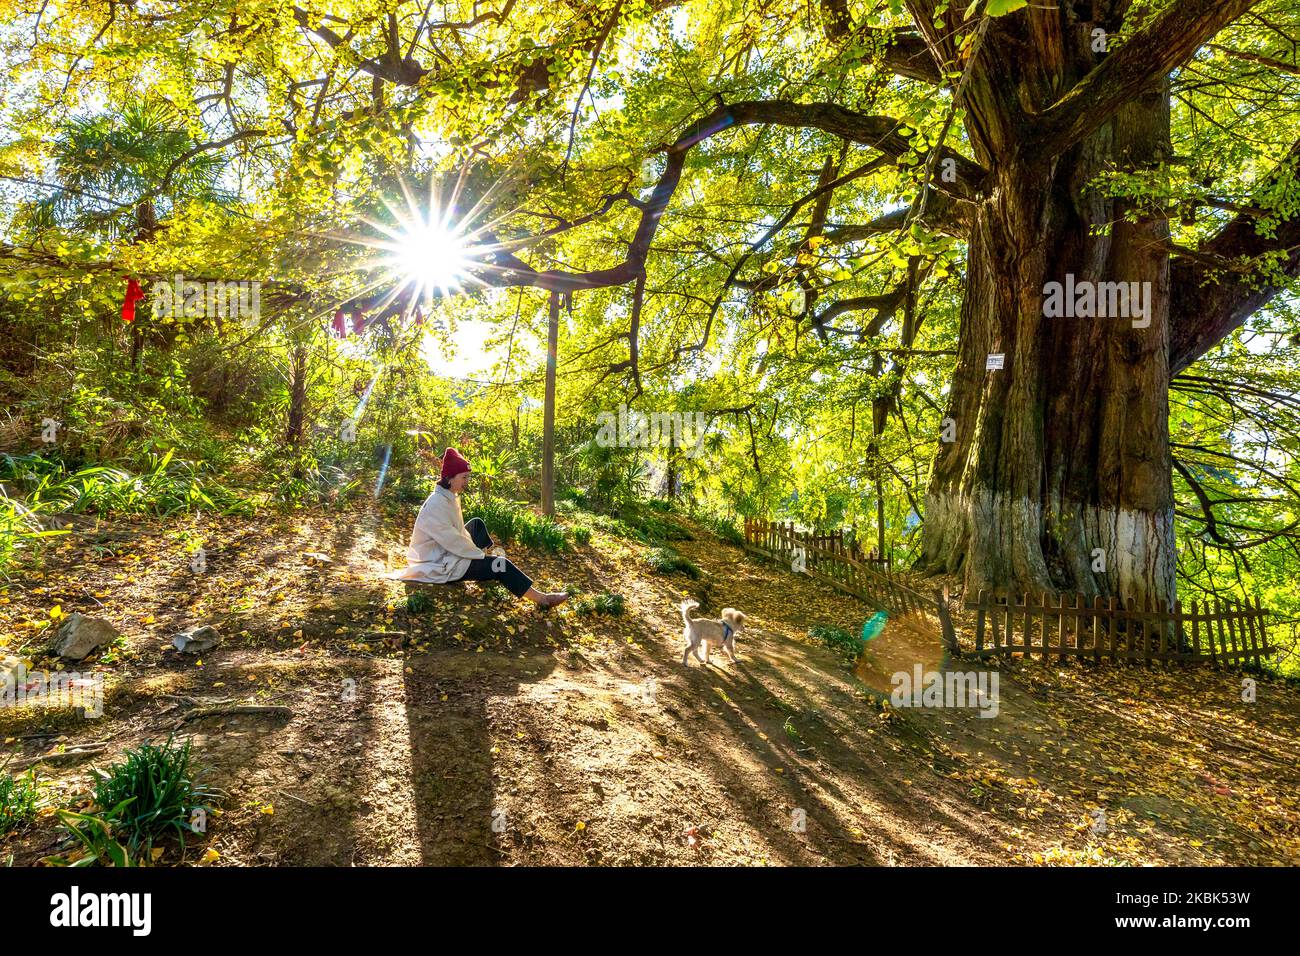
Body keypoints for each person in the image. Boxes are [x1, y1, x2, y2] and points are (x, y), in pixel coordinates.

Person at [391, 447, 569, 608]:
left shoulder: (448, 496)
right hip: (436, 563)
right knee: (501, 564)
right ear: (450, 478)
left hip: (446, 551)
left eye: (468, 477)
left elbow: (458, 534)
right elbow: (453, 540)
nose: (467, 481)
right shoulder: (437, 504)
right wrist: (482, 557)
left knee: (476, 524)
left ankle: (484, 573)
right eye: (464, 477)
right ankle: (542, 599)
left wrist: (480, 557)